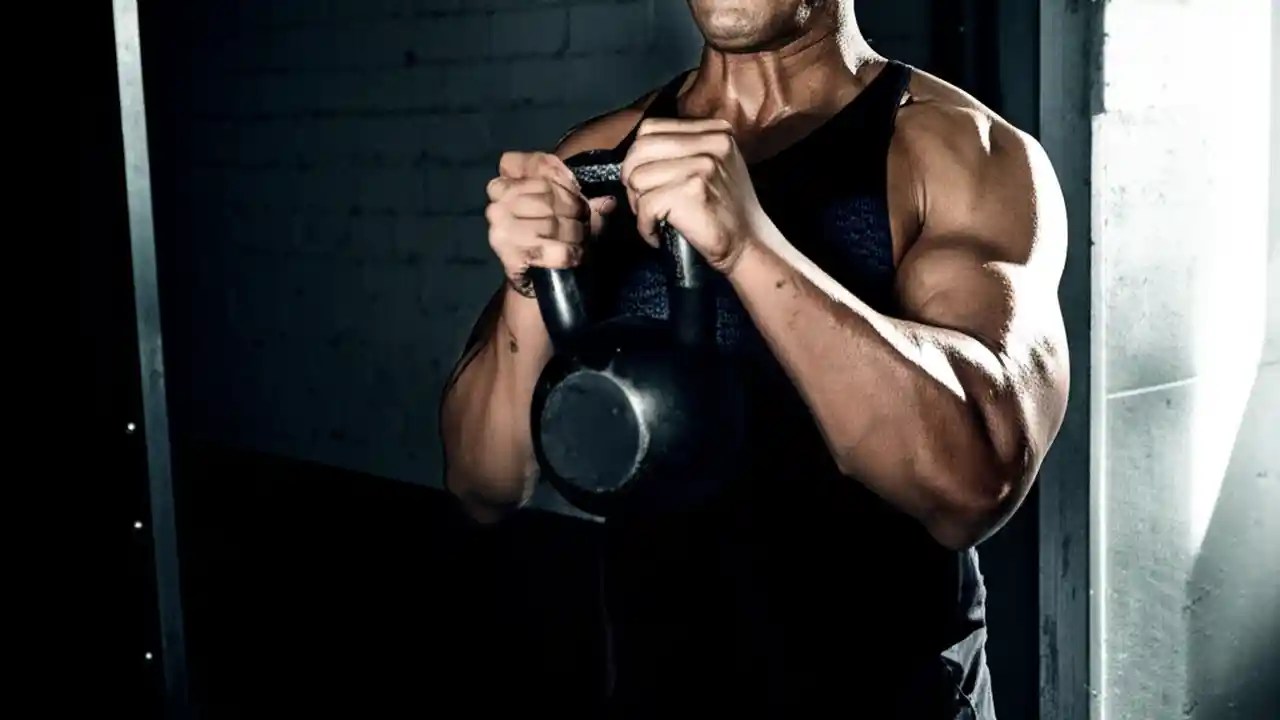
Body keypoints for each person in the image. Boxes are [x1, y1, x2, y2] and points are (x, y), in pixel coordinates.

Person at [438, 0, 1069, 717]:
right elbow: (482, 483)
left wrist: (748, 245)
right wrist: (533, 286)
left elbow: (975, 483)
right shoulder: (605, 155)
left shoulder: (958, 154)